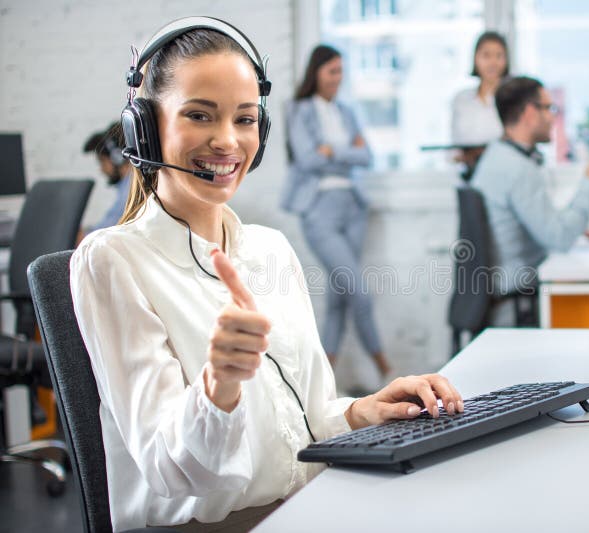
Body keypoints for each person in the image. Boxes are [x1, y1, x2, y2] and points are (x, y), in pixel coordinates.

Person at [71, 19, 462, 531]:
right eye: (199, 115)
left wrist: (361, 413)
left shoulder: (270, 248)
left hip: (308, 506)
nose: (227, 141)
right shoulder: (113, 260)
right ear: (144, 127)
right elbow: (169, 469)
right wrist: (219, 386)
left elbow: (306, 420)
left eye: (245, 118)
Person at [282, 45, 391, 379]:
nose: (337, 78)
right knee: (358, 292)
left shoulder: (347, 111)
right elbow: (306, 158)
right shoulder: (298, 110)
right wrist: (346, 152)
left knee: (340, 297)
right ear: (316, 72)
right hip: (319, 210)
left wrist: (332, 150)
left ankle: (324, 379)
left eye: (340, 71)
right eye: (332, 71)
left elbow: (366, 156)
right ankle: (386, 367)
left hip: (353, 207)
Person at [471, 76, 589, 326]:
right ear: (529, 112)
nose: (553, 118)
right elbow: (559, 239)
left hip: (503, 299)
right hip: (518, 306)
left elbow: (542, 223)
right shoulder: (518, 169)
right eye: (549, 108)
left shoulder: (496, 156)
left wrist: (574, 225)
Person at [451, 31, 509, 173]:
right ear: (475, 58)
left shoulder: (513, 98)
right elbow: (454, 148)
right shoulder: (461, 100)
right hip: (469, 172)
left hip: (505, 170)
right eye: (486, 55)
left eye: (499, 55)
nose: (493, 62)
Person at [82, 121, 132, 232]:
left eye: (102, 161)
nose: (102, 169)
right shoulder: (128, 185)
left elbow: (108, 229)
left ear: (118, 157)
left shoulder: (130, 189)